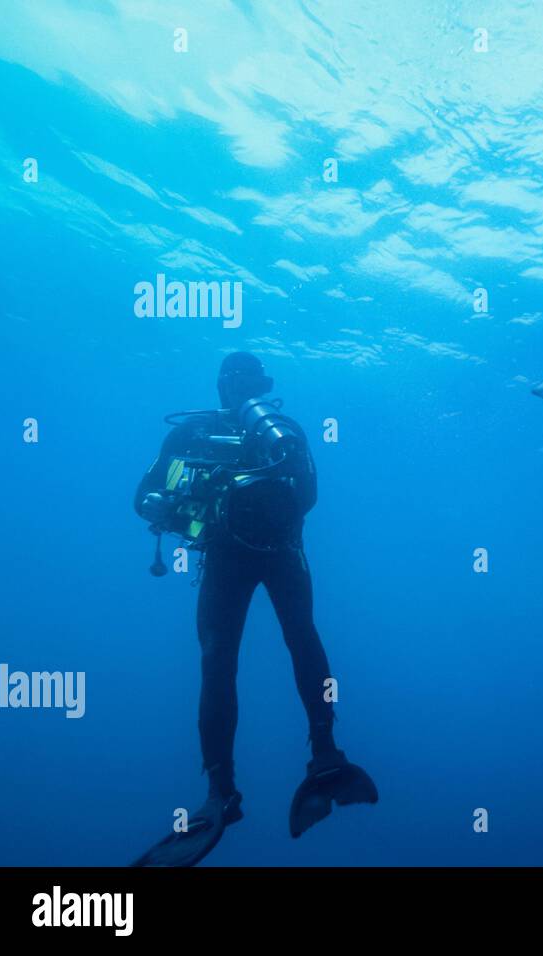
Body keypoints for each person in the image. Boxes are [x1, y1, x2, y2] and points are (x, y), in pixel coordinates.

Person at [131, 352, 376, 867]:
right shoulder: (192, 436)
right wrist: (178, 504)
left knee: (295, 641)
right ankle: (222, 789)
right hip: (229, 555)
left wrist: (261, 491)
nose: (245, 391)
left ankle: (323, 754)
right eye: (239, 381)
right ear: (221, 385)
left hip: (280, 549)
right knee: (221, 661)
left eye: (254, 382)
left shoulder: (280, 431)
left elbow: (307, 496)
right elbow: (145, 496)